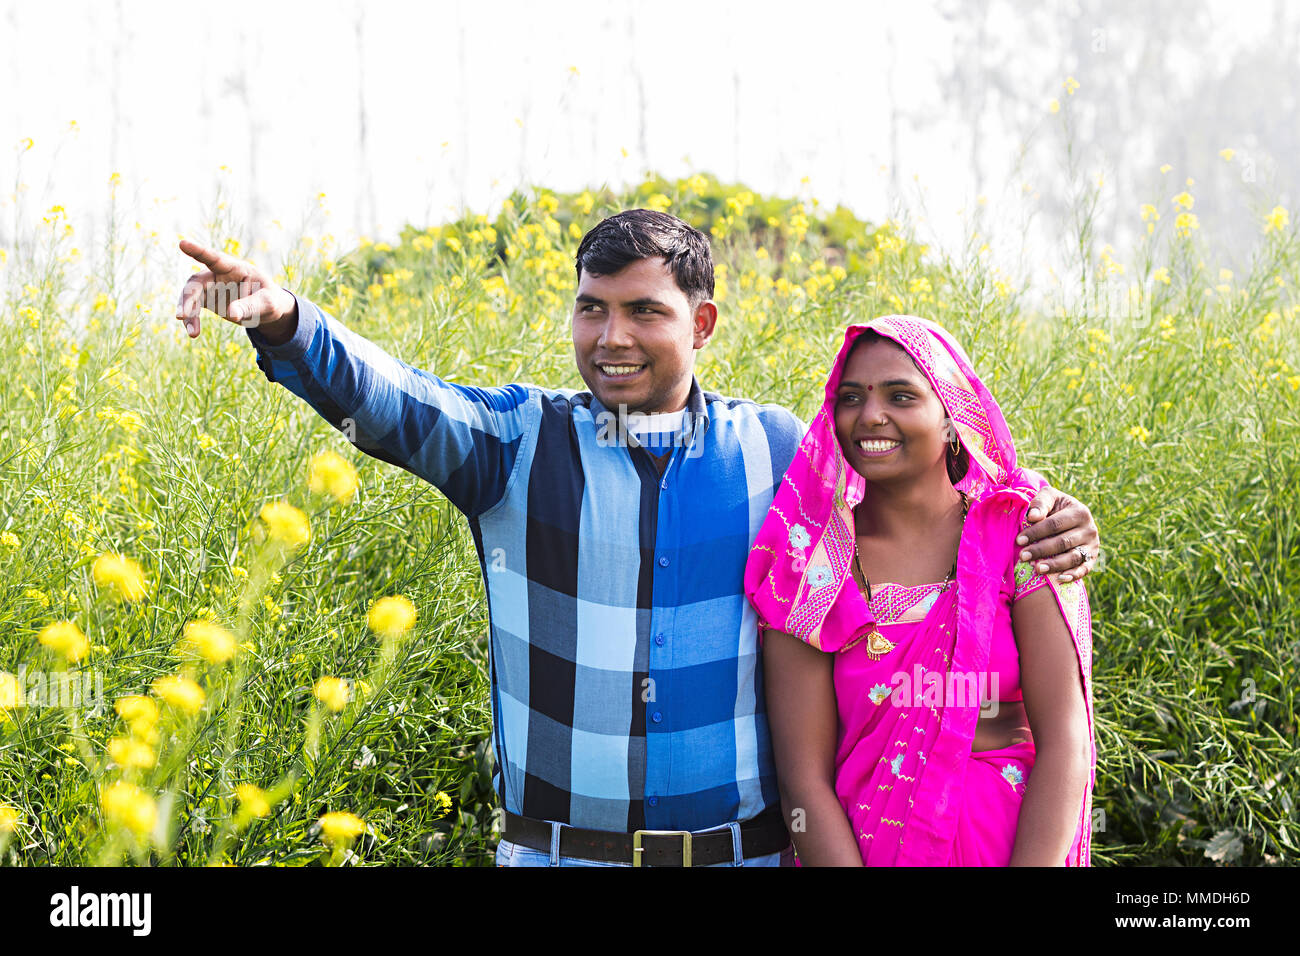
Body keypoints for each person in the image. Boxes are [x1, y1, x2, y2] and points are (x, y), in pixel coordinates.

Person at [174, 209, 1100, 866]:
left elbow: (930, 481)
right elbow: (396, 399)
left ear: (699, 324)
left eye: (643, 312)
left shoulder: (783, 454)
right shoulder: (517, 447)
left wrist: (1055, 517)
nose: (611, 336)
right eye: (591, 308)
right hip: (559, 857)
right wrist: (288, 322)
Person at [745, 317, 1094, 866]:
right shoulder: (812, 563)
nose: (870, 416)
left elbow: (1065, 742)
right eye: (851, 397)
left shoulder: (1020, 534)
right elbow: (804, 784)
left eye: (901, 395)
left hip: (1009, 844)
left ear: (953, 418)